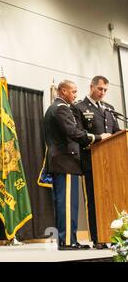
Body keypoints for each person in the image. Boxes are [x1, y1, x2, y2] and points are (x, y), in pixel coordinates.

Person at [43, 80, 110, 250]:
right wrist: (98, 137)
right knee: (66, 203)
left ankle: (69, 239)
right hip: (65, 161)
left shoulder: (59, 107)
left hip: (65, 162)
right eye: (73, 91)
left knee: (67, 203)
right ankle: (67, 241)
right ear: (63, 91)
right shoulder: (61, 108)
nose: (75, 95)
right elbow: (73, 132)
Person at [75, 76, 121, 249]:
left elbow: (116, 133)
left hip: (112, 163)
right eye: (100, 89)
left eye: (105, 90)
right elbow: (78, 134)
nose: (102, 93)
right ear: (91, 87)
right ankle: (98, 237)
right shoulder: (79, 107)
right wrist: (99, 139)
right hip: (92, 162)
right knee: (94, 201)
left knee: (114, 199)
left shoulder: (109, 109)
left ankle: (115, 235)